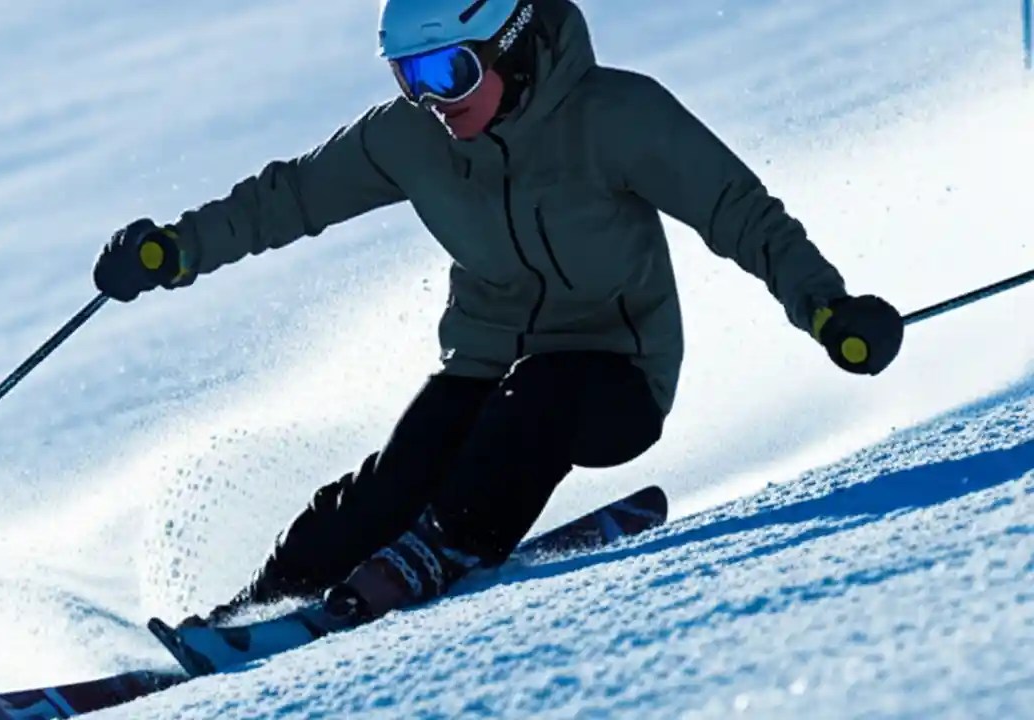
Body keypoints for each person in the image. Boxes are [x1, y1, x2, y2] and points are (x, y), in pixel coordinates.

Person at [92, 0, 904, 624]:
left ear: (509, 45)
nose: (430, 100)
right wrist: (177, 249)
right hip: (484, 366)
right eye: (408, 77)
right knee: (391, 483)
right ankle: (260, 610)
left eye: (448, 72)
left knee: (536, 401)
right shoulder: (409, 138)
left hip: (614, 380)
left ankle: (444, 547)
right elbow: (290, 197)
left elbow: (742, 216)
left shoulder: (617, 117)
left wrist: (827, 309)